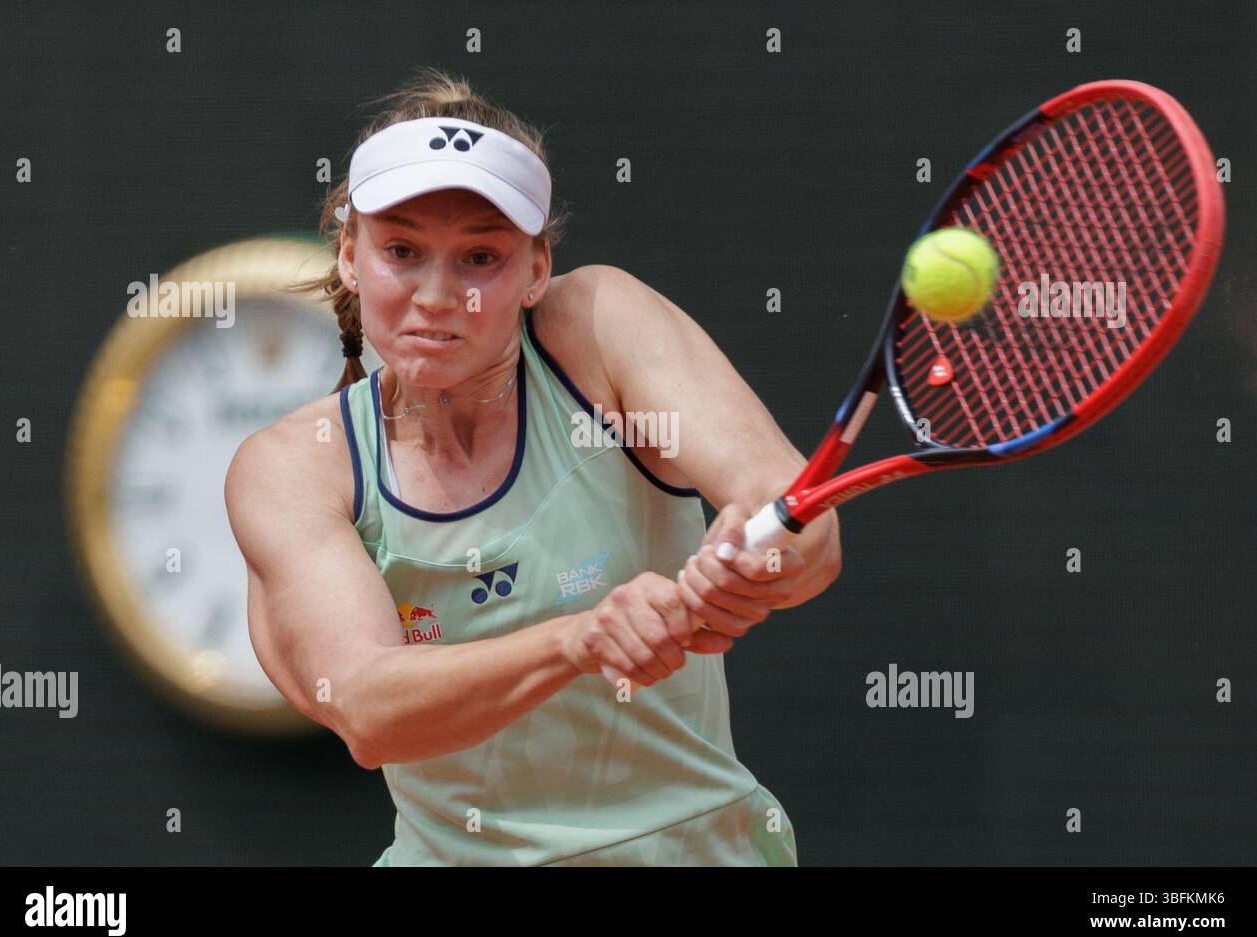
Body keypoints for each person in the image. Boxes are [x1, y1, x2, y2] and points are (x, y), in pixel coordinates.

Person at [225, 67, 840, 866]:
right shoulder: (293, 467)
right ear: (350, 256)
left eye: (481, 257)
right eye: (402, 250)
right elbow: (371, 710)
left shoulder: (597, 325)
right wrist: (580, 639)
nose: (439, 294)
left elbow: (797, 512)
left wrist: (762, 557)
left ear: (536, 269)